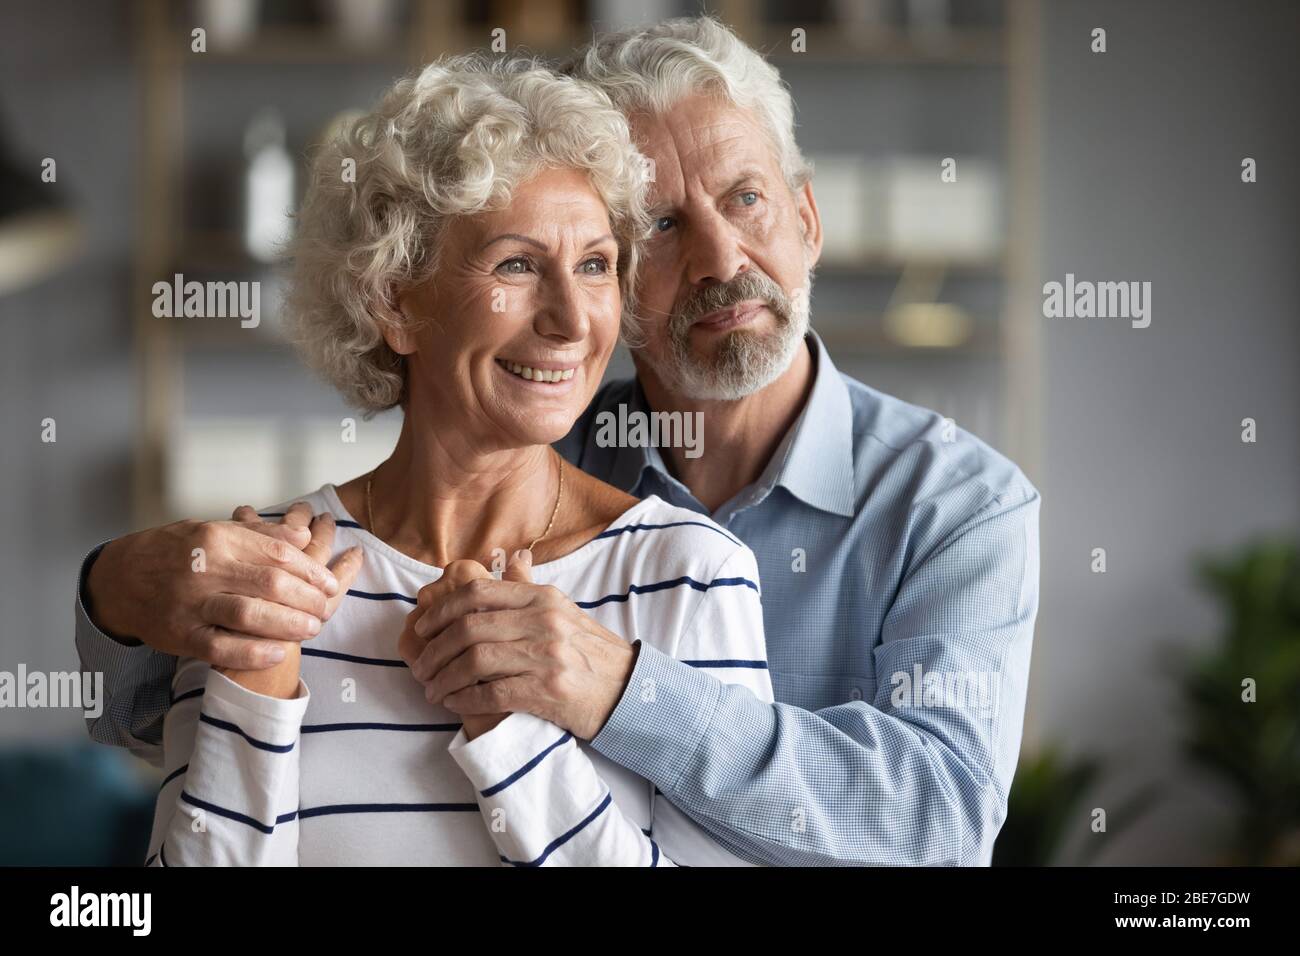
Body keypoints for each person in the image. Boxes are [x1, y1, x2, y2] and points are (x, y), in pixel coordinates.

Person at [78, 18, 1039, 866]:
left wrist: (612, 689)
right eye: (660, 223)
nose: (717, 259)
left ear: (809, 218)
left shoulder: (953, 504)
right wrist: (111, 591)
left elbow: (941, 826)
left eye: (745, 198)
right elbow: (142, 706)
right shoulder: (532, 430)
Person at [132, 54, 772, 866]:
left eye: (596, 266)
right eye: (516, 265)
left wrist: (512, 737)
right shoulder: (264, 582)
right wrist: (252, 696)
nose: (572, 320)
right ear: (394, 299)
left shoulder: (691, 574)